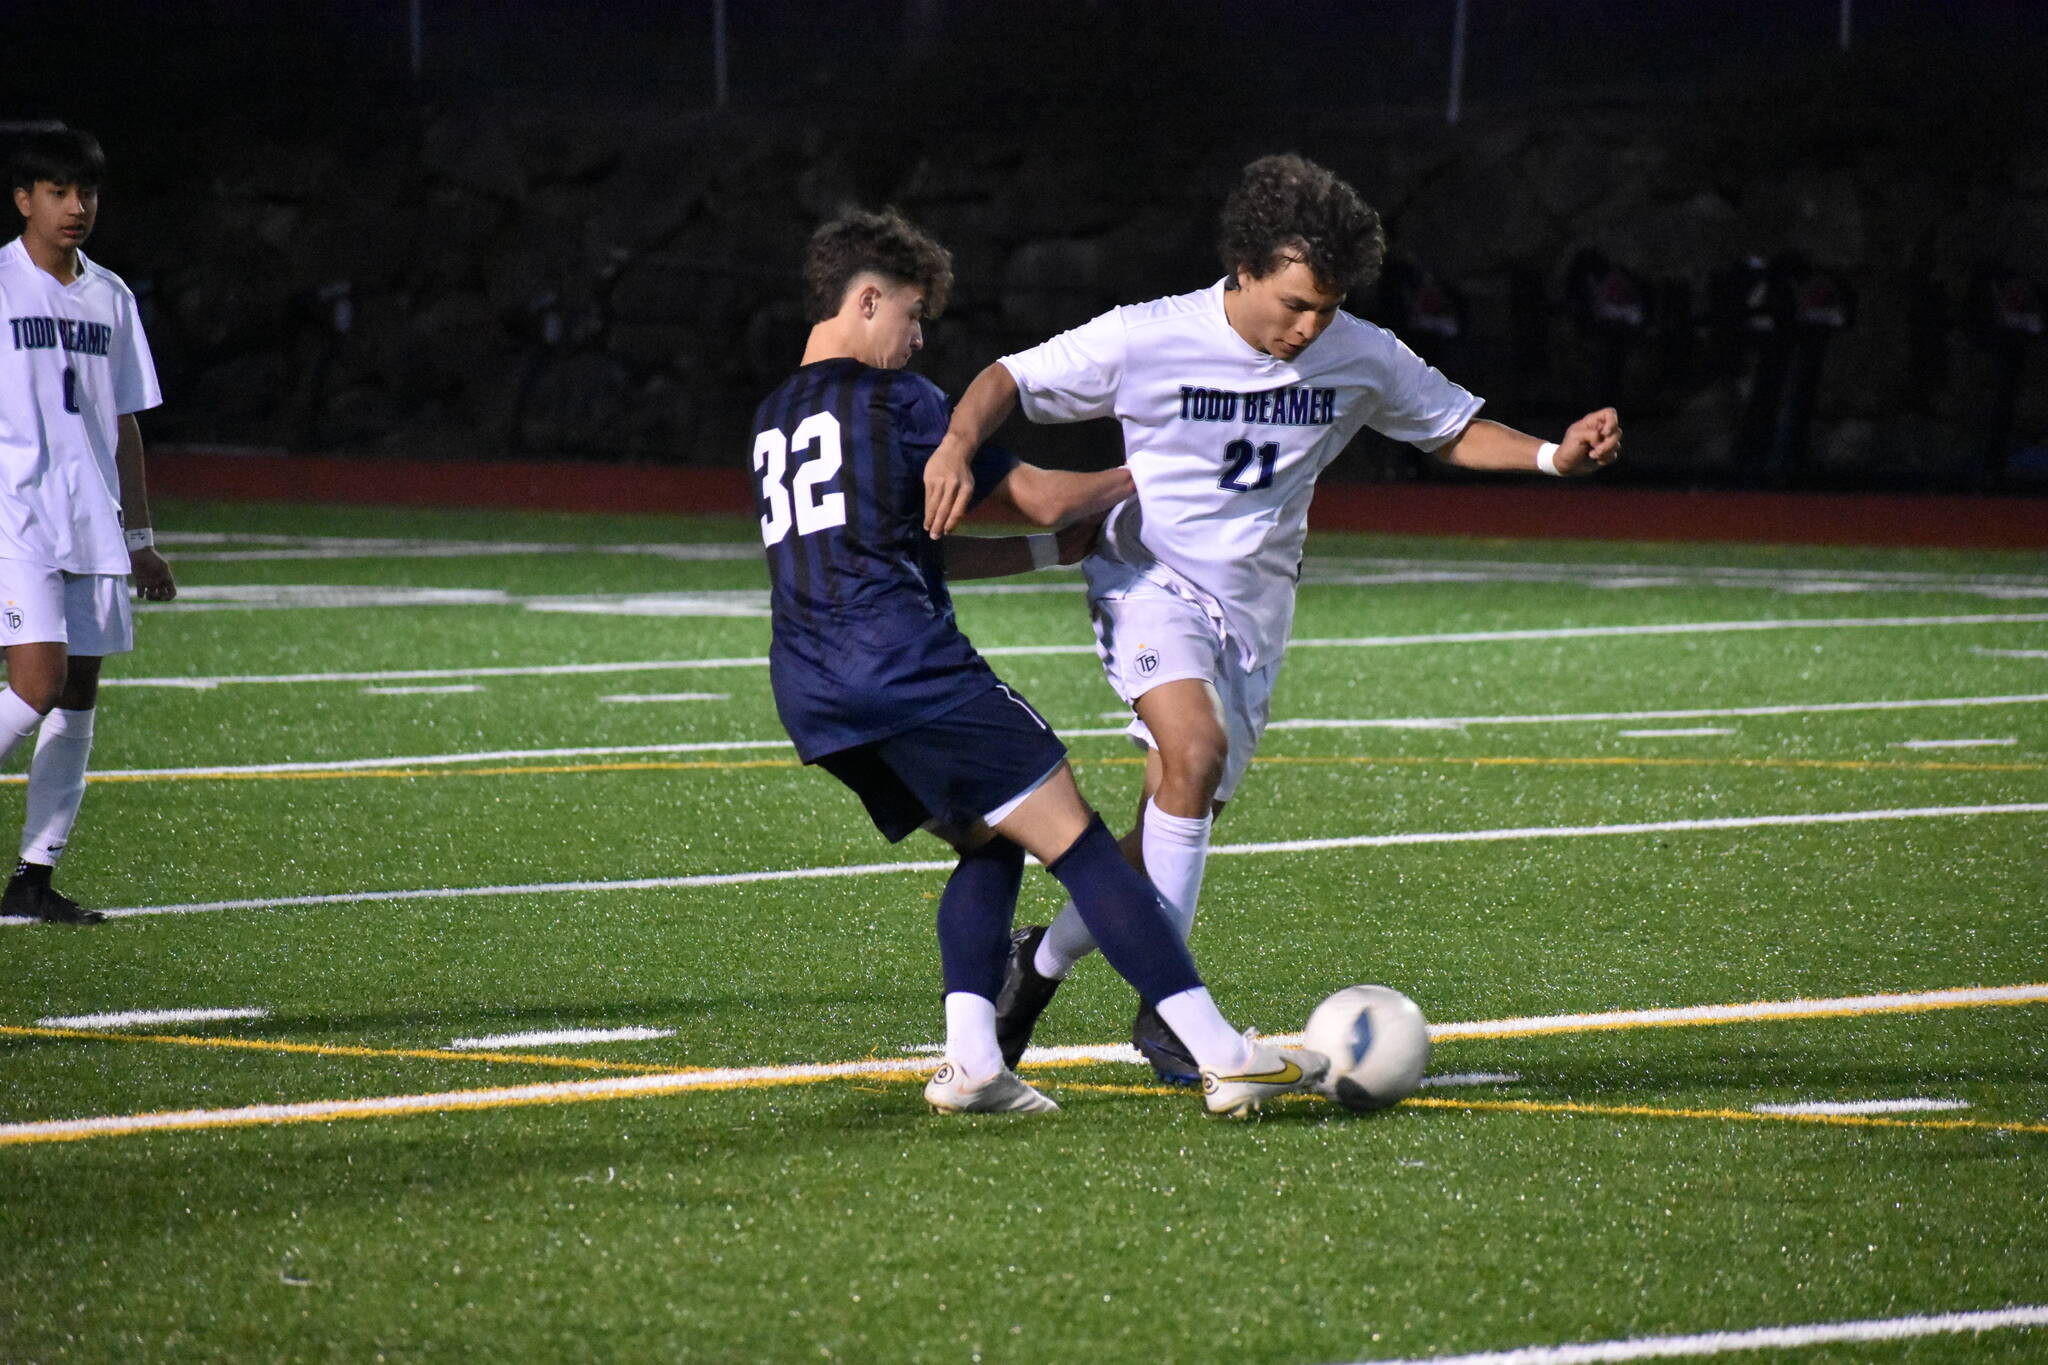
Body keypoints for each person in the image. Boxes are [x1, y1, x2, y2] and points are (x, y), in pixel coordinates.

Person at [924, 154, 1623, 1080]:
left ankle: (1036, 961)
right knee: (1193, 752)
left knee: (1176, 806)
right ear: (1244, 269)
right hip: (1145, 578)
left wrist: (1552, 460)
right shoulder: (1147, 336)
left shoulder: (1357, 352)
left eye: (1326, 308)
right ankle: (1173, 1016)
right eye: (1293, 303)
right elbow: (1005, 375)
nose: (1308, 326)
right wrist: (956, 444)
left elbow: (1450, 426)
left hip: (1255, 610)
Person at [755, 206, 1327, 1116]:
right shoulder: (898, 403)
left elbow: (910, 548)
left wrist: (1049, 554)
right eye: (910, 315)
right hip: (909, 671)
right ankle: (1220, 1050)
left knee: (988, 843)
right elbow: (1039, 495)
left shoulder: (777, 413)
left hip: (811, 688)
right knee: (1083, 845)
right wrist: (1158, 471)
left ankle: (976, 1060)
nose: (916, 339)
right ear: (866, 300)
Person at [0, 127, 175, 925]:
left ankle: (35, 875)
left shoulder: (110, 295)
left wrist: (139, 538)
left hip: (90, 520)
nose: (76, 207)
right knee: (35, 684)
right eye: (59, 191)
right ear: (23, 198)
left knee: (77, 691)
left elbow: (125, 424)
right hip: (17, 515)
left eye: (88, 193)